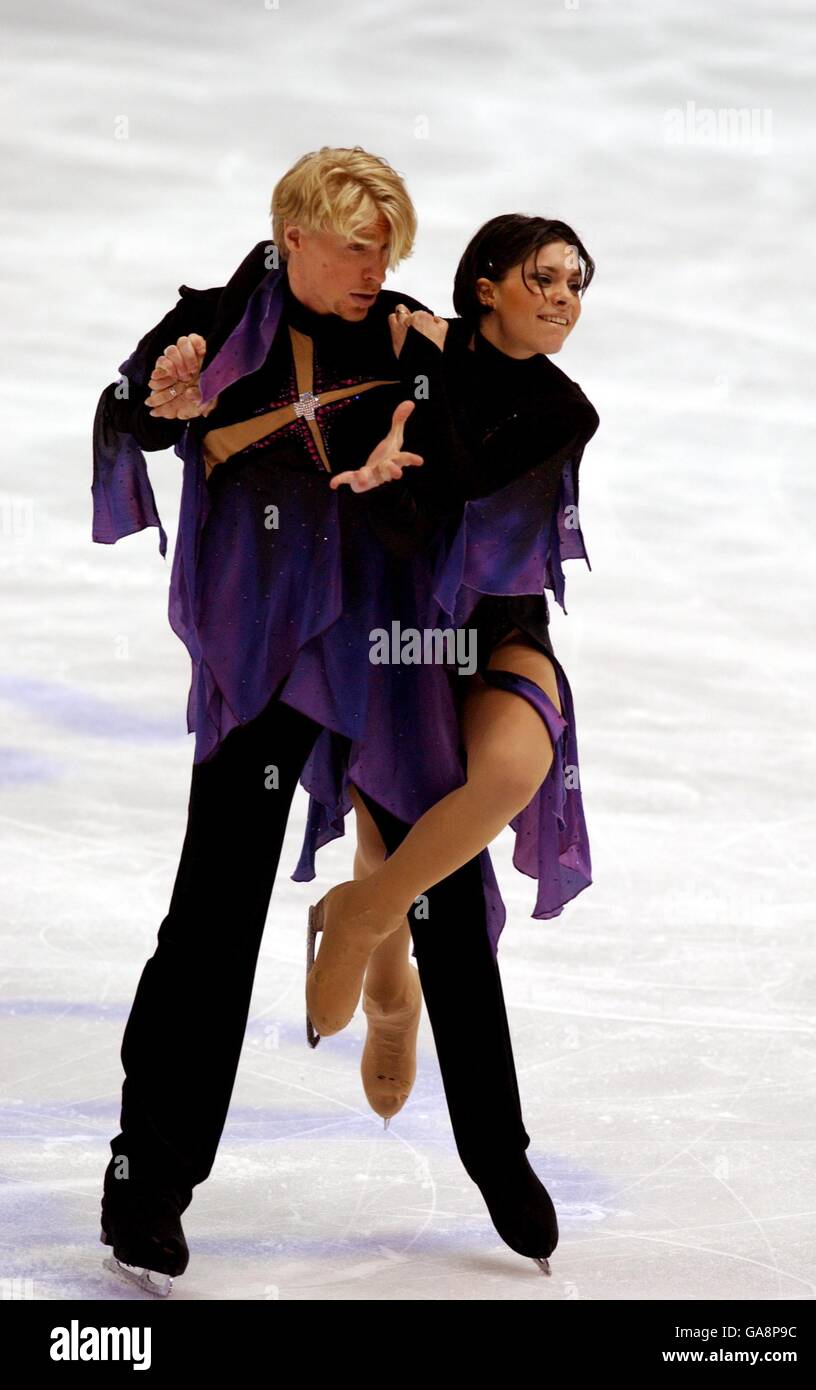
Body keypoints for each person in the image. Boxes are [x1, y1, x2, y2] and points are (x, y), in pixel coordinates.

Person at [91, 149, 559, 1295]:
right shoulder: (215, 321)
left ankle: (498, 1154)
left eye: (387, 248)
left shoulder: (403, 331)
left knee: (442, 892)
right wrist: (157, 400)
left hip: (396, 648)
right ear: (294, 235)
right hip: (266, 655)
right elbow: (139, 413)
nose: (375, 269)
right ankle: (147, 1181)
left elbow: (531, 405)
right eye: (356, 247)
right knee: (214, 906)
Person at [300, 214, 599, 1145]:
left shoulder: (563, 409)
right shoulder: (406, 335)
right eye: (543, 278)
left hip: (496, 630)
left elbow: (459, 478)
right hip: (392, 630)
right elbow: (302, 326)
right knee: (393, 835)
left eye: (575, 285)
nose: (561, 298)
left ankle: (355, 921)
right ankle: (395, 1007)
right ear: (486, 285)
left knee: (511, 771)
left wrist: (415, 388)